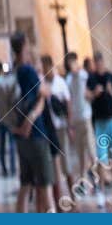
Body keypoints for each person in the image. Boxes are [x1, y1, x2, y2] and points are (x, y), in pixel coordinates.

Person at [9, 30, 55, 213]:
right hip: (35, 133)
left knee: (25, 184)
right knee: (46, 188)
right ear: (25, 46)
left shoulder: (15, 70)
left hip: (21, 135)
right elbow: (43, 92)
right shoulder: (27, 70)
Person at [87, 50, 112, 207]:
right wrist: (94, 94)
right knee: (101, 159)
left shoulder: (110, 76)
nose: (99, 64)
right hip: (99, 122)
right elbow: (86, 95)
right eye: (97, 62)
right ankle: (101, 192)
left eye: (100, 61)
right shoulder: (92, 78)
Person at [40, 54, 73, 208]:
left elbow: (68, 103)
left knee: (66, 164)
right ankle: (57, 200)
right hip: (48, 129)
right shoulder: (41, 83)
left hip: (61, 127)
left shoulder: (60, 82)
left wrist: (70, 125)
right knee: (53, 167)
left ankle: (73, 197)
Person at [65, 51, 95, 182]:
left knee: (91, 150)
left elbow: (86, 90)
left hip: (86, 116)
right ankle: (83, 178)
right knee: (80, 152)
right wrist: (69, 123)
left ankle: (96, 176)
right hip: (76, 119)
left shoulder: (82, 75)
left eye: (74, 61)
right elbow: (69, 100)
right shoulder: (68, 79)